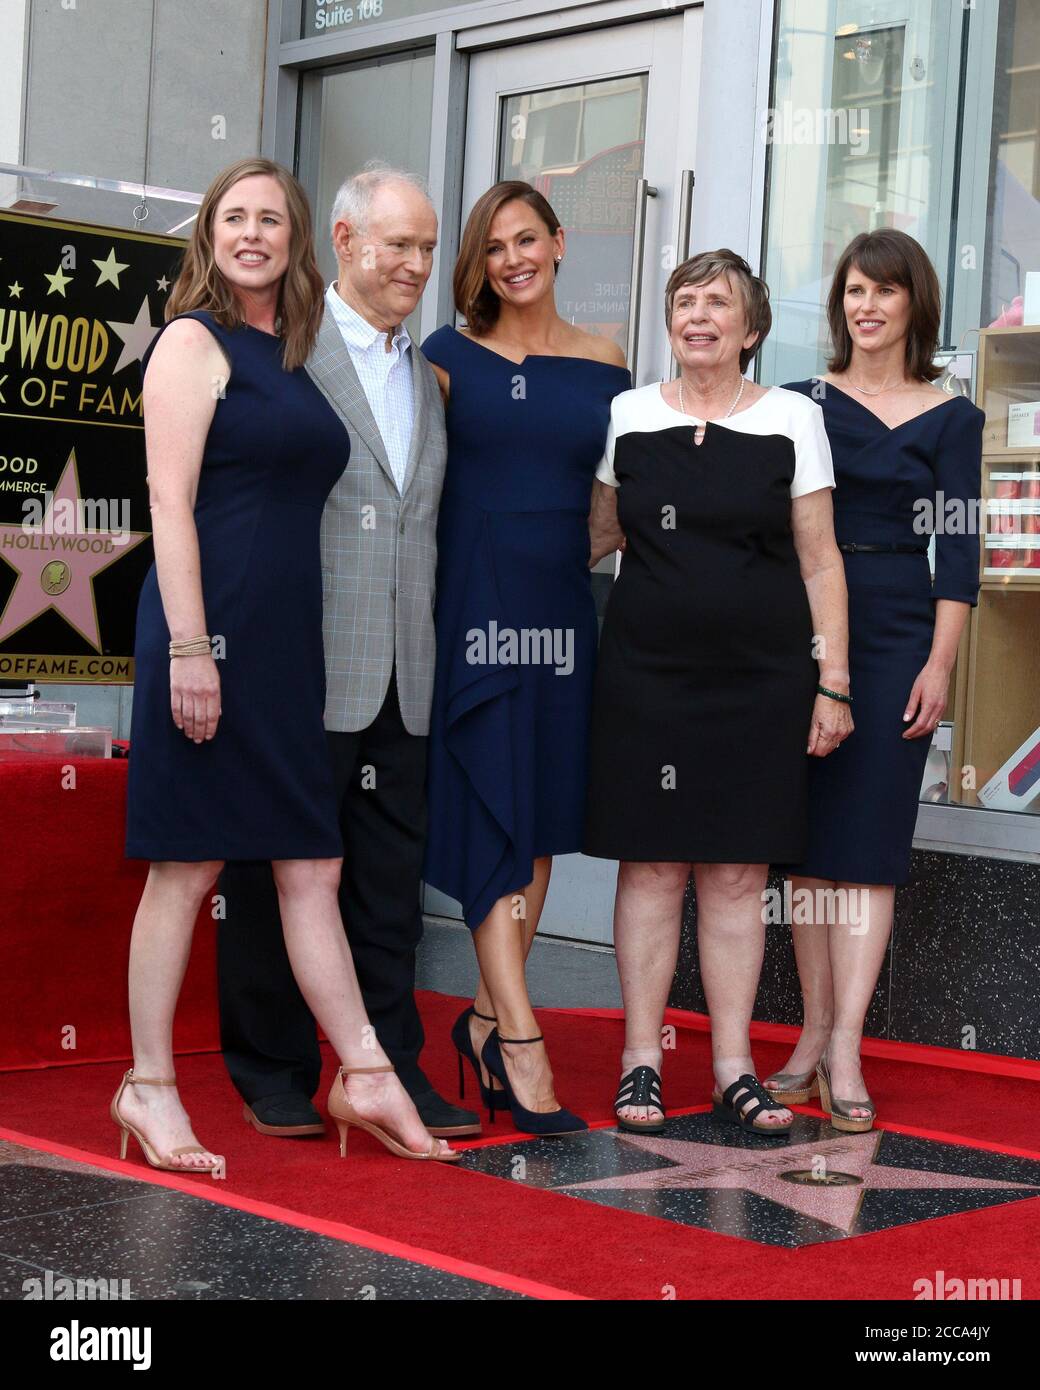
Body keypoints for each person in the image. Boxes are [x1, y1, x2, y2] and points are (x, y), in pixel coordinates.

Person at [119, 157, 457, 1172]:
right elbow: (170, 504)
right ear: (210, 234)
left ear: (298, 237)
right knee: (187, 868)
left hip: (284, 645)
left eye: (273, 218)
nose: (255, 233)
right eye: (236, 216)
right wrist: (190, 646)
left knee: (313, 863)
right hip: (204, 633)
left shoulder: (296, 348)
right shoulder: (190, 341)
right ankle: (147, 1086)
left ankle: (362, 1071)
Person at [216, 163, 479, 1142]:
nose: (414, 263)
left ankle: (389, 1067)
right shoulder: (279, 350)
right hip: (299, 658)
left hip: (402, 673)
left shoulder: (427, 372)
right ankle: (272, 1066)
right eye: (396, 244)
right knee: (271, 872)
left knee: (386, 888)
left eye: (424, 247)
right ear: (342, 239)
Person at [583, 249, 852, 1136]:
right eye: (685, 301)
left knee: (737, 873)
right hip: (647, 678)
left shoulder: (792, 419)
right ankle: (640, 1064)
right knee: (653, 865)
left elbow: (820, 558)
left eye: (718, 303)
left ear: (751, 327)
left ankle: (735, 1069)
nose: (699, 316)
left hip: (763, 681)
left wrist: (833, 682)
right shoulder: (627, 413)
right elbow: (596, 535)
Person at [422, 182, 631, 1135]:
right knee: (492, 803)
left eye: (527, 239)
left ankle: (478, 1019)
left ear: (558, 242)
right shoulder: (445, 358)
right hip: (472, 602)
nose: (513, 258)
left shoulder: (607, 357)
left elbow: (614, 495)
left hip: (559, 609)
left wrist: (564, 550)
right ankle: (518, 1035)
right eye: (494, 245)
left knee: (537, 817)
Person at [765, 229, 984, 1131]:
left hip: (899, 626)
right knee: (811, 845)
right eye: (854, 289)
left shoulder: (953, 417)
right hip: (806, 629)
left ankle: (847, 1041)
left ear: (912, 306)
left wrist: (940, 664)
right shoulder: (801, 402)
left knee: (870, 841)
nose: (866, 306)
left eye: (884, 292)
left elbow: (961, 552)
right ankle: (813, 1035)